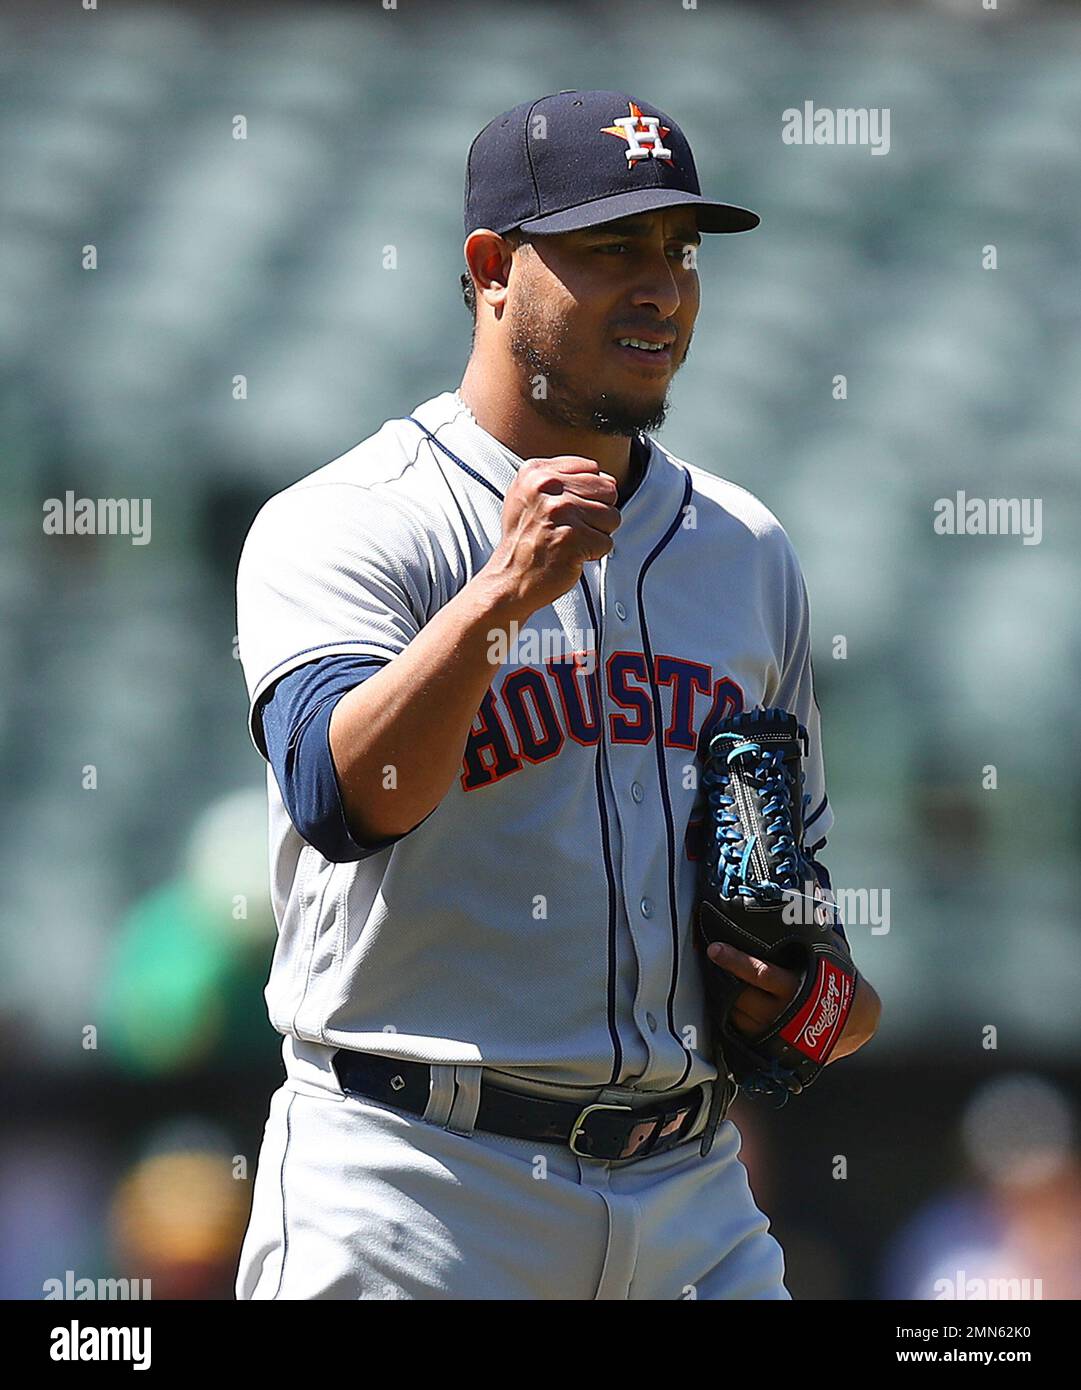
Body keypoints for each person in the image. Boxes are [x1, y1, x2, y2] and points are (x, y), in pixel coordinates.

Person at [234, 89, 881, 1301]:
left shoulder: (744, 548)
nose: (662, 287)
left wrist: (812, 996)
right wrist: (497, 600)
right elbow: (342, 792)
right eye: (609, 248)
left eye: (679, 252)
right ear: (490, 267)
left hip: (692, 1193)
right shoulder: (348, 520)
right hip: (412, 1182)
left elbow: (811, 927)